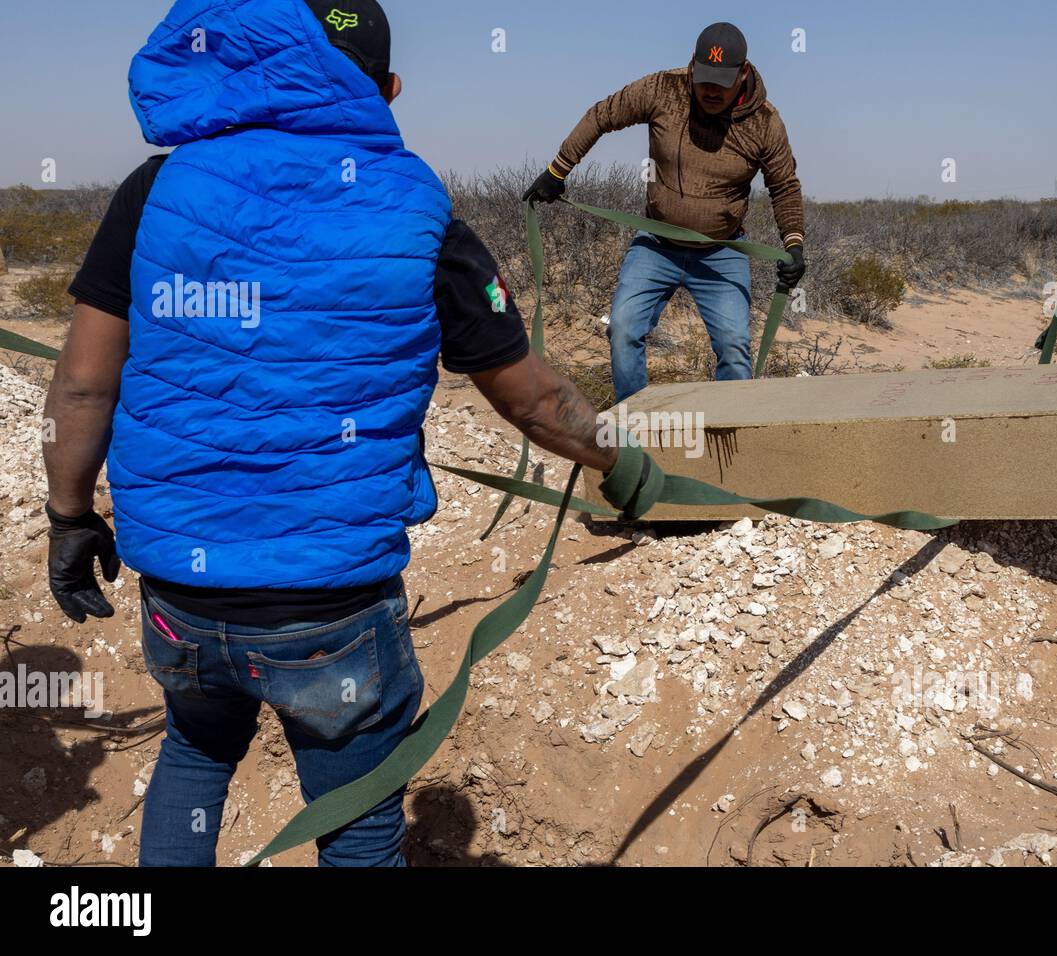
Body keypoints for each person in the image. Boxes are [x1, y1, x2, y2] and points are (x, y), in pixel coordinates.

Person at [41, 0, 655, 866]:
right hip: (331, 607)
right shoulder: (417, 205)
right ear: (389, 89)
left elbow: (81, 382)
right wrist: (625, 464)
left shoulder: (158, 188)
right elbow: (531, 399)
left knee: (195, 752)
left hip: (182, 598)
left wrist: (69, 517)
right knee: (360, 826)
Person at [523, 22, 807, 402]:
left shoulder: (765, 123)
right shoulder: (663, 90)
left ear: (742, 74)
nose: (710, 90)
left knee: (735, 349)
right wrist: (557, 172)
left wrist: (794, 244)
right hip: (656, 244)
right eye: (703, 78)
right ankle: (637, 432)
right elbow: (601, 115)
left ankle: (733, 442)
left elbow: (784, 185)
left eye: (721, 82)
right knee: (623, 329)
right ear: (692, 66)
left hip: (722, 253)